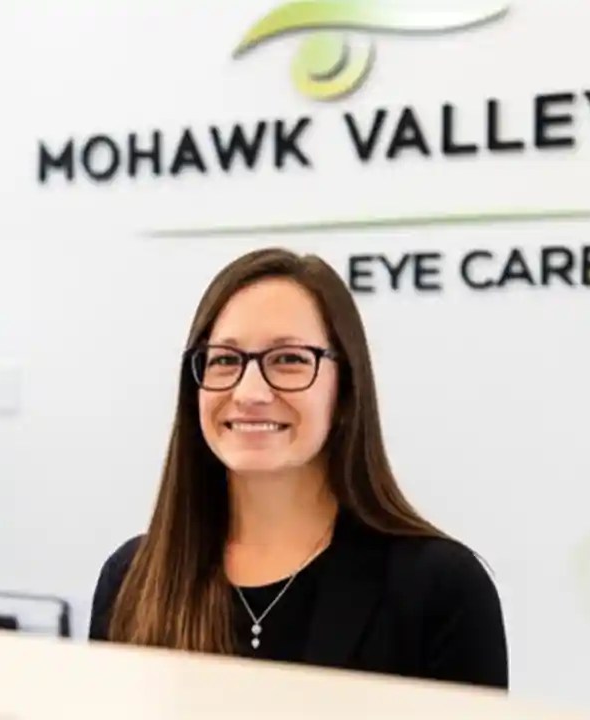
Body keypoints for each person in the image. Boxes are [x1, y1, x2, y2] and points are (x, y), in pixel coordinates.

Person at [88, 248, 508, 690]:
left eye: (288, 359)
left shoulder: (440, 589)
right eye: (225, 360)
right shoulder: (132, 579)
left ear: (345, 389)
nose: (250, 392)